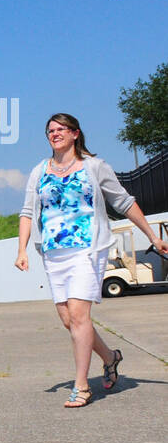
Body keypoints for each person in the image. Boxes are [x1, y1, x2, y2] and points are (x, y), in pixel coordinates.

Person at [15, 113, 167, 408]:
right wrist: (21, 250)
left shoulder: (95, 167)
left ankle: (82, 386)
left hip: (87, 250)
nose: (54, 134)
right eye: (50, 130)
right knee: (69, 320)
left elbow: (123, 202)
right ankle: (110, 358)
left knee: (79, 315)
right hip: (54, 252)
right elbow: (27, 212)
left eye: (60, 129)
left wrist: (152, 235)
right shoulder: (39, 171)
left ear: (75, 133)